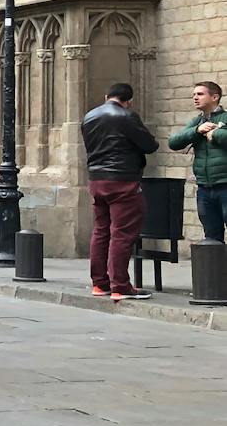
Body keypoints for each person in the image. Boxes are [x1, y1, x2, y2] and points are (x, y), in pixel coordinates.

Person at [82, 82, 159, 302]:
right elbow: (150, 145)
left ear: (107, 96)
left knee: (101, 231)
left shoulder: (89, 117)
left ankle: (99, 283)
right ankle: (120, 286)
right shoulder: (126, 116)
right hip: (122, 179)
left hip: (97, 179)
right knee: (122, 233)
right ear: (128, 101)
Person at [169, 79, 227, 243]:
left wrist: (216, 134)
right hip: (204, 188)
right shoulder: (197, 121)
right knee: (211, 238)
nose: (195, 98)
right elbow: (173, 142)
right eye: (194, 94)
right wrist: (197, 130)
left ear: (215, 97)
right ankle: (216, 270)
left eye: (200, 94)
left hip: (225, 185)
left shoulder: (226, 117)